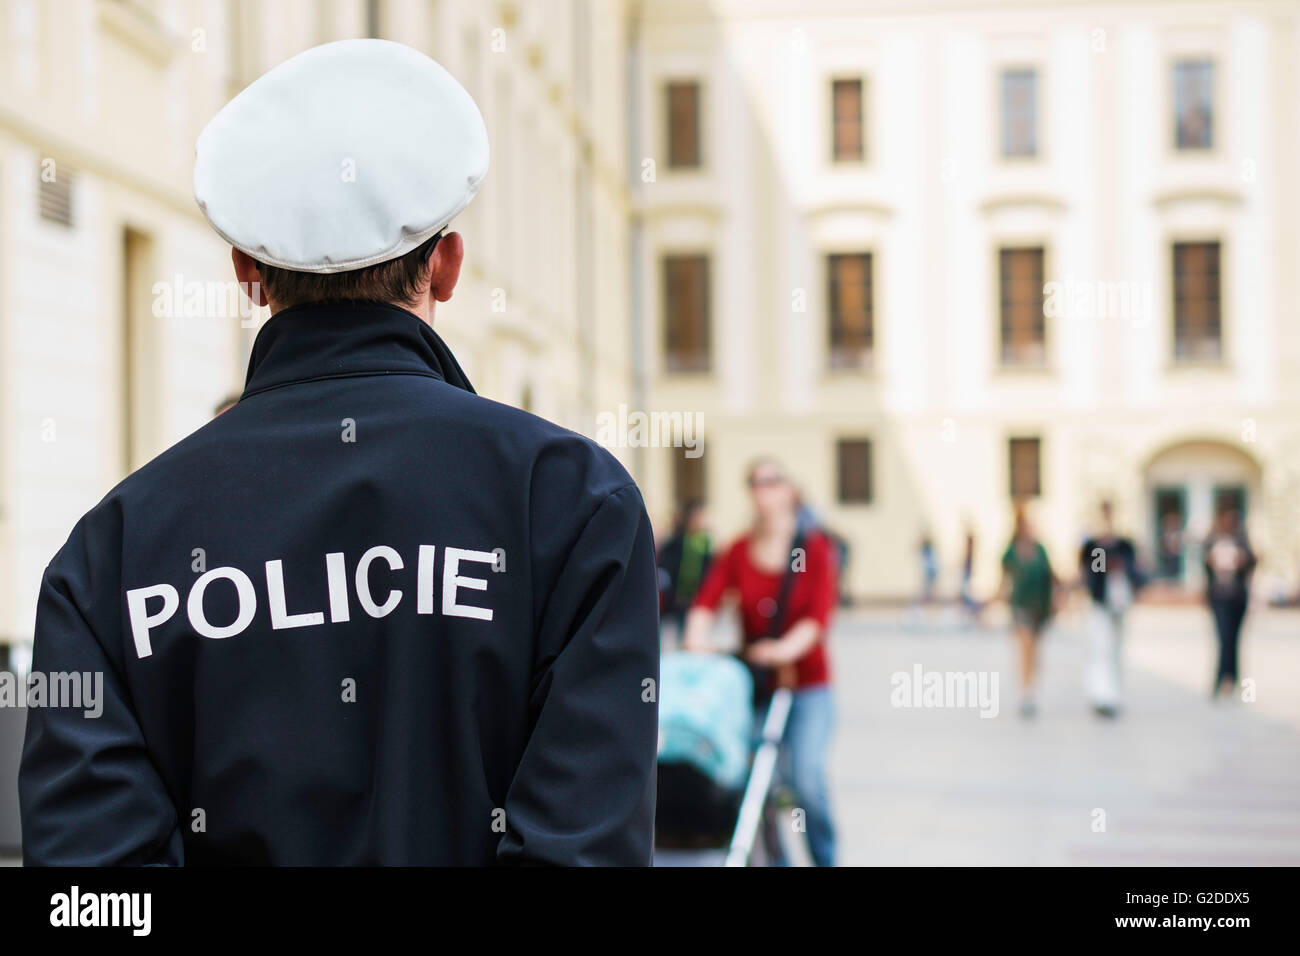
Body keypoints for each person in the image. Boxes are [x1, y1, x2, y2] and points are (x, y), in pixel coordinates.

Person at [19, 39, 659, 866]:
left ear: (247, 271)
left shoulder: (110, 552)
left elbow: (95, 893)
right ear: (450, 264)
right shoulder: (572, 504)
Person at [682, 457, 838, 866]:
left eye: (771, 481)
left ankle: (826, 858)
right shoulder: (737, 550)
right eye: (754, 482)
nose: (761, 490)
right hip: (757, 686)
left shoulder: (814, 548)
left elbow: (818, 618)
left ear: (790, 490)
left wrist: (784, 649)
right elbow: (706, 602)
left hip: (806, 685)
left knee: (806, 782)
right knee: (751, 783)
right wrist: (696, 639)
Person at [1078, 502, 1144, 718]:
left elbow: (1136, 571)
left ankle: (1115, 693)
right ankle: (1101, 694)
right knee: (1101, 648)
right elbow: (1093, 571)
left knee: (1116, 649)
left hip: (1120, 603)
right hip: (1101, 603)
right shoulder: (1094, 545)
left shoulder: (1124, 545)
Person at [999, 504, 1060, 718]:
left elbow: (1051, 576)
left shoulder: (1040, 549)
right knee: (1024, 646)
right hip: (1021, 605)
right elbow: (1004, 581)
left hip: (1039, 606)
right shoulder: (1011, 551)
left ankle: (1032, 689)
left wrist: (1056, 599)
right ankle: (1025, 692)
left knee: (1035, 649)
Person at [1203, 509, 1256, 700]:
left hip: (1237, 597)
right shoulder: (1212, 540)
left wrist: (1243, 560)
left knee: (1235, 640)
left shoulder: (1242, 541)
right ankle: (1221, 680)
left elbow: (1253, 561)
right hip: (1219, 597)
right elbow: (1205, 567)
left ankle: (1235, 680)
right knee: (1224, 638)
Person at [656, 499, 713, 640]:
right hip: (679, 595)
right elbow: (666, 564)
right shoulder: (678, 540)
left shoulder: (704, 542)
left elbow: (710, 566)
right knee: (680, 629)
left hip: (698, 592)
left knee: (694, 628)